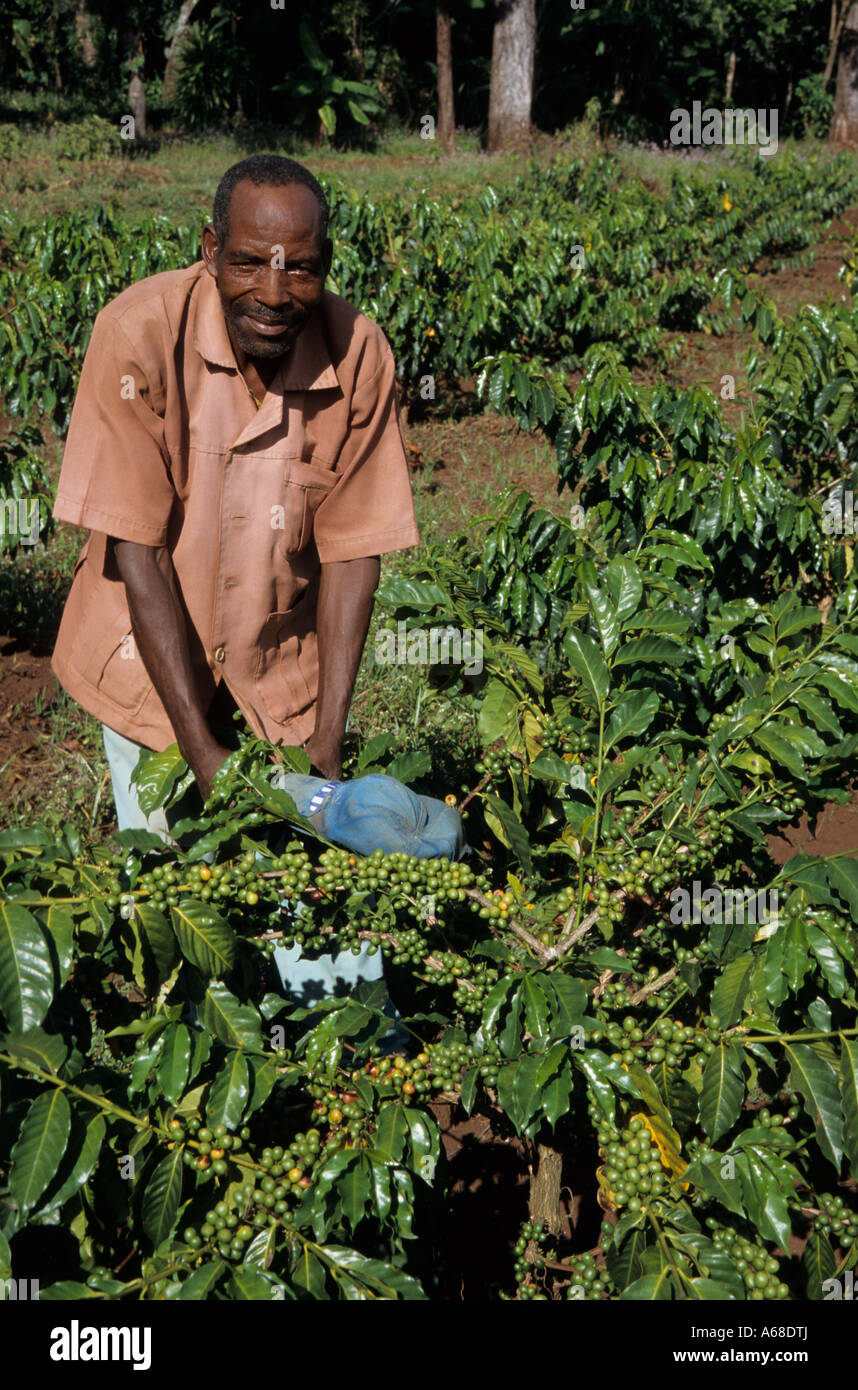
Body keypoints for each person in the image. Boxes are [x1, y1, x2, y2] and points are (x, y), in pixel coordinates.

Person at [50, 154, 421, 996]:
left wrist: (327, 736)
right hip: (145, 671)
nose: (277, 290)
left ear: (326, 265)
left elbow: (353, 548)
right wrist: (200, 750)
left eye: (303, 267)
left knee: (321, 919)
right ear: (210, 248)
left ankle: (342, 1070)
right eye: (250, 262)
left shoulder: (357, 354)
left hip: (275, 670)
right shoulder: (139, 333)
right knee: (182, 912)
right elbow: (136, 551)